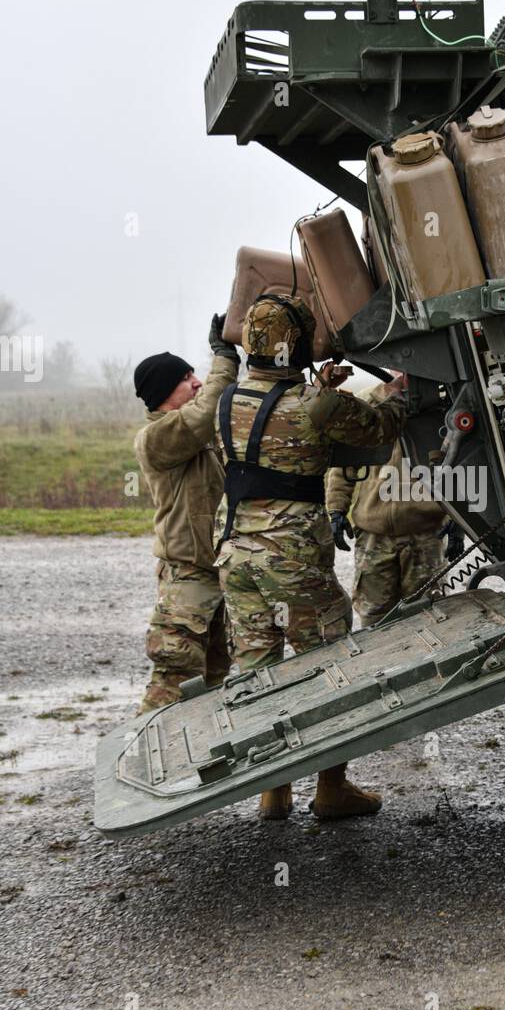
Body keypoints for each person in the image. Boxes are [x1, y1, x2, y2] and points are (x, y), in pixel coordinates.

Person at [214, 291, 407, 822]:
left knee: (255, 669)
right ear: (295, 343)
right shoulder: (314, 405)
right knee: (326, 667)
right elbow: (379, 428)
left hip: (235, 552)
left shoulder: (227, 399)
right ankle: (330, 788)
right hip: (291, 557)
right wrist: (397, 391)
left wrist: (317, 389)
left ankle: (272, 790)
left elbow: (272, 430)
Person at [133, 315, 240, 714]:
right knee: (174, 680)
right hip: (187, 576)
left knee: (214, 682)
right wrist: (223, 357)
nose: (196, 382)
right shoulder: (158, 437)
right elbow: (210, 405)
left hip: (214, 572)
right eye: (185, 378)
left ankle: (200, 772)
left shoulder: (197, 435)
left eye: (196, 374)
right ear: (163, 392)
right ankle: (138, 760)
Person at [326, 375, 463, 626]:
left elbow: (460, 463)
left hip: (424, 533)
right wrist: (336, 509)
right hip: (373, 534)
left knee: (428, 615)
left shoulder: (443, 406)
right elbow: (343, 467)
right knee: (374, 617)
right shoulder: (367, 403)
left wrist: (459, 521)